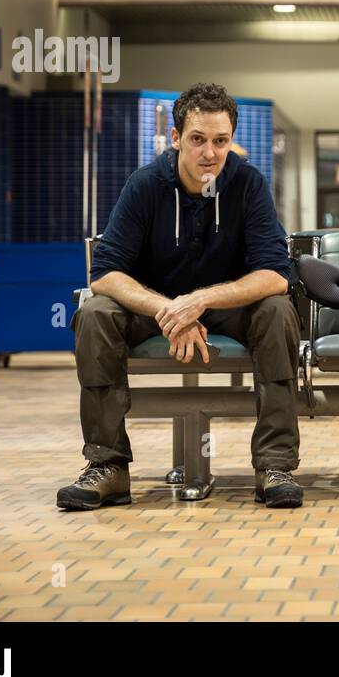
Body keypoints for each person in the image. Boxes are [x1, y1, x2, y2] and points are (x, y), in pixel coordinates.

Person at [58, 83, 302, 510]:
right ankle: (108, 467)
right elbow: (104, 274)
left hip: (226, 310)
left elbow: (276, 275)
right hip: (154, 309)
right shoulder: (145, 185)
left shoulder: (247, 185)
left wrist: (202, 300)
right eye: (198, 140)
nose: (209, 153)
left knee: (278, 310)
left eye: (220, 141)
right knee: (95, 314)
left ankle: (273, 465)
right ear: (175, 139)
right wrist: (170, 309)